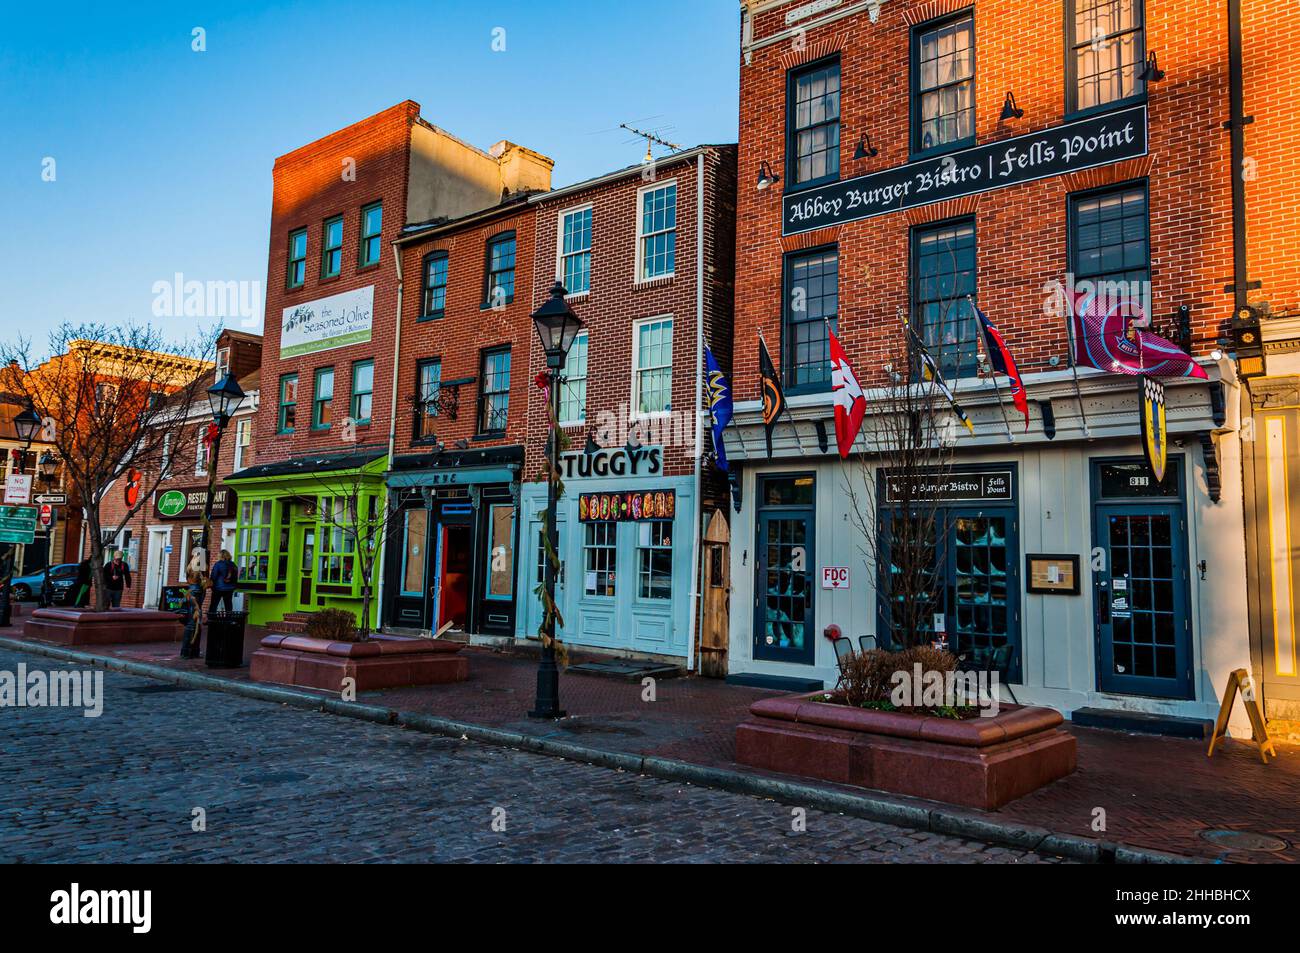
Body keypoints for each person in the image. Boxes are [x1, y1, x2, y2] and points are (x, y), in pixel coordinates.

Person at [179, 570, 205, 658]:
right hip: (198, 611)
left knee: (190, 628)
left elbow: (191, 602)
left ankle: (186, 652)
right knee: (197, 629)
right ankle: (194, 651)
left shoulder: (193, 590)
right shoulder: (201, 588)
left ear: (190, 579)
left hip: (193, 613)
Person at [210, 549, 239, 614]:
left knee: (214, 605)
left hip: (218, 588)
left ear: (220, 556)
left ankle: (212, 620)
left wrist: (212, 586)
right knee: (228, 606)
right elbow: (236, 577)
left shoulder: (218, 564)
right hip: (230, 588)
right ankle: (228, 621)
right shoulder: (233, 565)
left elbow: (213, 576)